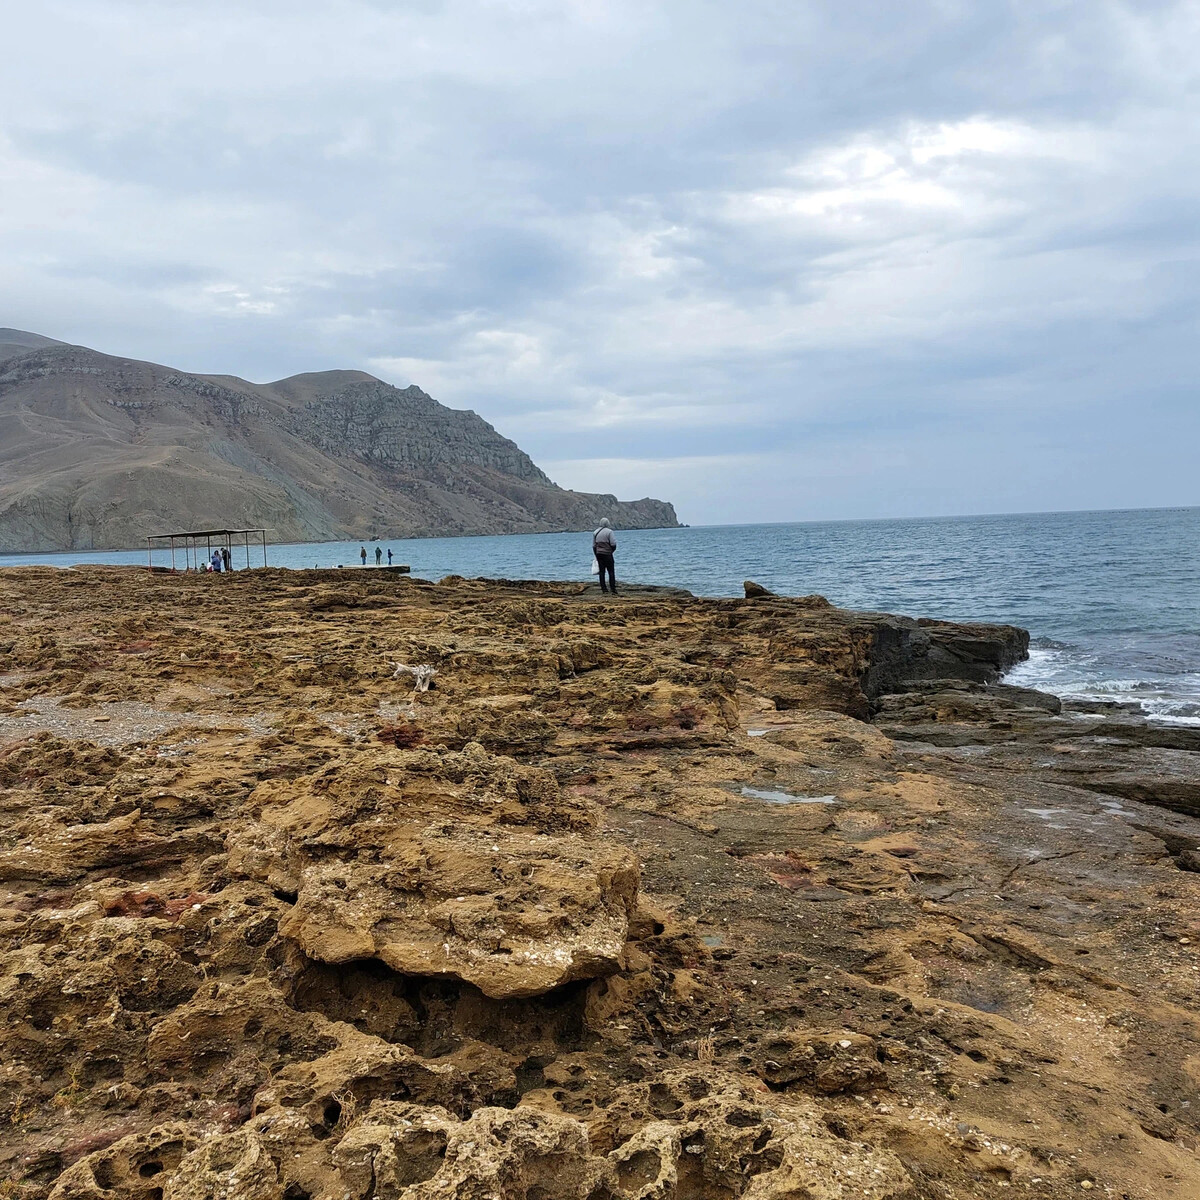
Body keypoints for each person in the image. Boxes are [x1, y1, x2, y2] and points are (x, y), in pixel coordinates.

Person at [592, 518, 618, 595]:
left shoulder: (595, 532)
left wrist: (596, 555)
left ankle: (604, 589)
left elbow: (594, 545)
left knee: (602, 572)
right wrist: (611, 551)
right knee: (611, 571)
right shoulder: (609, 532)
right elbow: (613, 544)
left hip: (599, 554)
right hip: (607, 554)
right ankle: (613, 589)